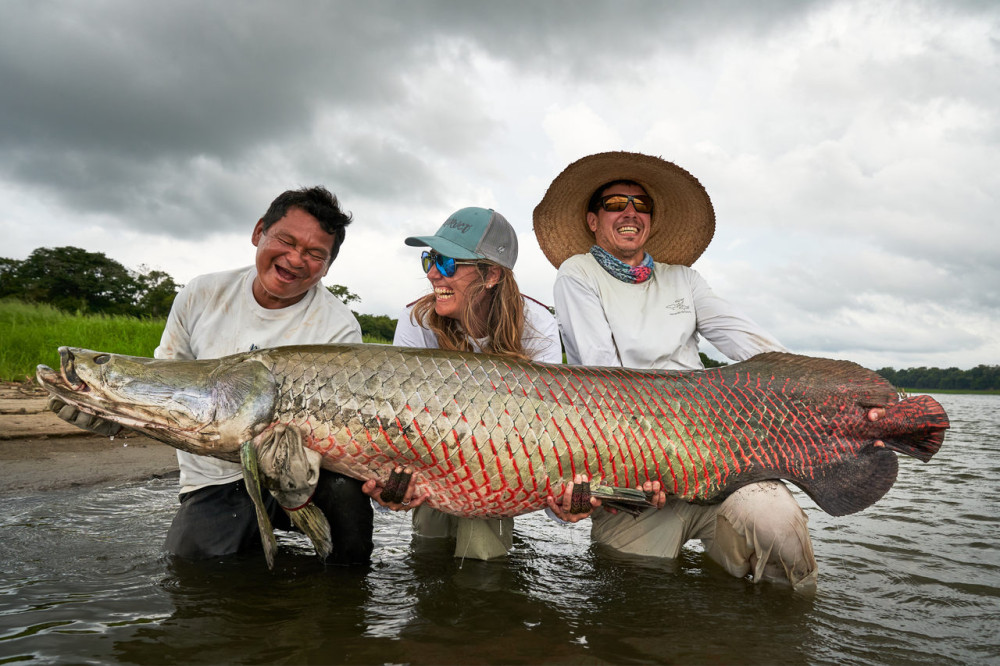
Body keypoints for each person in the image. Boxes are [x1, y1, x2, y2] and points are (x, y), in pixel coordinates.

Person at [532, 151, 818, 587]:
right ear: (593, 220)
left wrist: (807, 383)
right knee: (634, 590)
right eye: (614, 204)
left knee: (781, 530)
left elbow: (746, 339)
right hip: (629, 464)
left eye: (641, 205)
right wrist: (648, 463)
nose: (629, 212)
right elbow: (604, 376)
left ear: (651, 219)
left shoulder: (685, 279)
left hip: (710, 454)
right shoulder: (578, 273)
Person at [54, 186, 373, 565]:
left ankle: (344, 595)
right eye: (286, 241)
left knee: (346, 502)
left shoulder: (339, 328)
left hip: (306, 474)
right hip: (216, 476)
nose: (295, 259)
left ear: (327, 266)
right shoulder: (202, 294)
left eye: (314, 254)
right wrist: (114, 415)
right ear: (259, 232)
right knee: (193, 565)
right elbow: (168, 383)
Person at [369, 206, 562, 561]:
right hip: (431, 454)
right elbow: (398, 416)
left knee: (482, 555)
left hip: (503, 460)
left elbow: (542, 430)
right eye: (430, 259)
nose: (432, 274)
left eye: (447, 264)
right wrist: (387, 480)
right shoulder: (417, 320)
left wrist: (560, 499)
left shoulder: (538, 325)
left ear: (490, 275)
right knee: (428, 546)